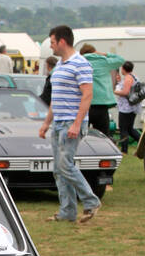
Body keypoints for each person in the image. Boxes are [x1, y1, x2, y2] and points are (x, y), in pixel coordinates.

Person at [38, 25, 100, 224]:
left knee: (66, 165)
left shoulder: (80, 64)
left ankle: (91, 201)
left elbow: (87, 94)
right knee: (58, 169)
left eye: (53, 42)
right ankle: (67, 212)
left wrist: (77, 123)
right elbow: (56, 99)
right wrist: (46, 123)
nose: (52, 47)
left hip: (71, 123)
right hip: (58, 123)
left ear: (62, 41)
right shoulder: (60, 66)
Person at [80, 42, 123, 137]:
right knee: (102, 136)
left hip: (84, 105)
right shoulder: (104, 61)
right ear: (94, 52)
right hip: (102, 105)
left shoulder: (80, 62)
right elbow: (121, 60)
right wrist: (104, 54)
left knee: (82, 135)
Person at [114, 61, 142, 153]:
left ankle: (124, 150)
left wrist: (115, 91)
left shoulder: (128, 78)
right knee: (130, 128)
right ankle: (143, 144)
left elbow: (125, 92)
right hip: (133, 107)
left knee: (123, 128)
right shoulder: (134, 77)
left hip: (126, 108)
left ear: (123, 69)